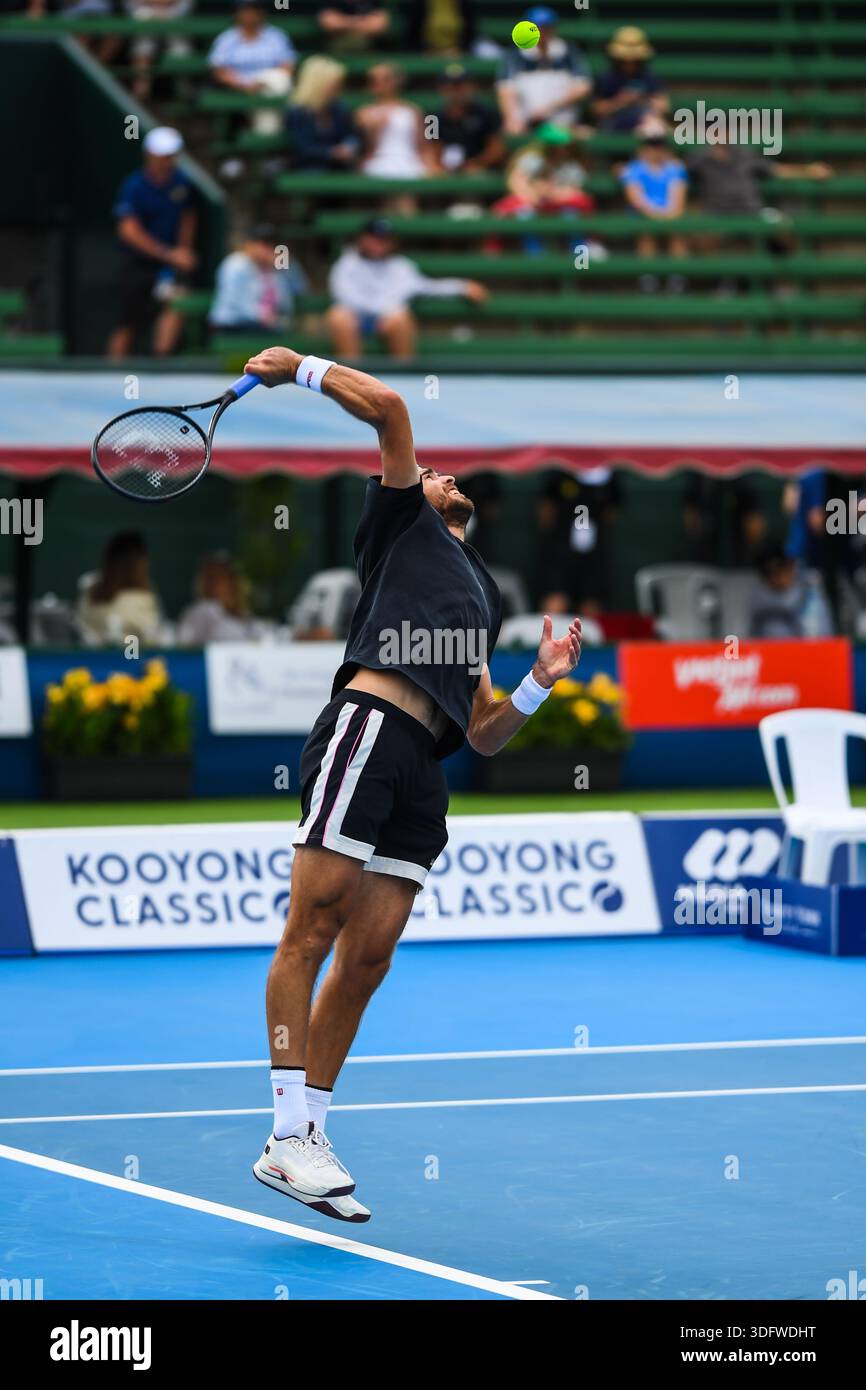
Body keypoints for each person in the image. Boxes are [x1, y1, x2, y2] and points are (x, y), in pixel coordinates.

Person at [241, 341, 582, 1222]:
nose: (440, 472)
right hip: (368, 729)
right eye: (428, 472)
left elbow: (485, 732)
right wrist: (300, 368)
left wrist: (539, 682)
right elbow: (389, 408)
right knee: (312, 928)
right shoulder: (401, 526)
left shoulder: (482, 592)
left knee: (371, 955)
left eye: (442, 474)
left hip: (424, 769)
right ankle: (282, 1131)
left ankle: (308, 1135)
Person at [327, 217, 488, 360]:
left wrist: (462, 287)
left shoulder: (401, 266)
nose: (379, 243)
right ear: (362, 239)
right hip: (357, 319)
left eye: (384, 239)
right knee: (339, 317)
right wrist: (381, 313)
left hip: (389, 321)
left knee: (401, 318)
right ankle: (352, 377)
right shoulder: (346, 264)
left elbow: (427, 287)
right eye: (374, 238)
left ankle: (403, 374)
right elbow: (345, 297)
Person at [107, 126, 197, 359]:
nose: (168, 160)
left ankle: (161, 362)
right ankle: (112, 376)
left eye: (171, 155)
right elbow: (128, 230)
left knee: (177, 304)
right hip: (136, 265)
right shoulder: (134, 186)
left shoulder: (182, 184)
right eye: (163, 155)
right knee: (128, 323)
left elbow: (188, 218)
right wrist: (168, 254)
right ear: (150, 155)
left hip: (168, 267)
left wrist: (184, 251)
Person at [535, 466, 622, 616]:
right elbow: (546, 513)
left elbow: (612, 514)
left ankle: (586, 639)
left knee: (591, 604)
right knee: (556, 600)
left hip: (594, 554)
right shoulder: (560, 473)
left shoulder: (607, 477)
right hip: (560, 551)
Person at [496, 5, 591, 137]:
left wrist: (548, 109)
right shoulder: (515, 55)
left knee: (585, 134)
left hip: (563, 124)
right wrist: (513, 119)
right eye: (536, 28)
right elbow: (506, 90)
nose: (541, 32)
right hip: (526, 124)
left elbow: (582, 87)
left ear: (553, 28)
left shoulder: (569, 52)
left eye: (546, 27)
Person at [209, 0, 297, 135]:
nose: (249, 15)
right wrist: (243, 86)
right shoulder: (226, 39)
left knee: (277, 83)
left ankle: (268, 135)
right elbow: (219, 71)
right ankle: (270, 136)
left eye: (253, 10)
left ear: (261, 13)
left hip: (269, 86)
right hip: (240, 89)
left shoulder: (276, 36)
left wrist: (260, 84)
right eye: (245, 11)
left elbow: (287, 67)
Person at [619, 128, 689, 289]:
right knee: (646, 231)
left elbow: (677, 199)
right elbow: (636, 199)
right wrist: (656, 215)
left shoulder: (675, 168)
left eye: (659, 144)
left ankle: (677, 277)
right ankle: (648, 277)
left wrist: (667, 215)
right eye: (651, 144)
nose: (655, 149)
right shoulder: (634, 169)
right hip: (643, 215)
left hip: (669, 215)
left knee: (677, 231)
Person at [209, 224, 308, 334]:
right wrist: (262, 316)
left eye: (270, 244)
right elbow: (234, 302)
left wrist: (285, 264)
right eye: (261, 243)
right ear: (249, 244)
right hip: (233, 324)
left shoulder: (276, 267)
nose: (266, 249)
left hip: (264, 325)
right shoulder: (236, 265)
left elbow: (299, 289)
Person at [356, 63, 435, 186]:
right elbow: (364, 148)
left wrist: (432, 166)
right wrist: (373, 130)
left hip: (410, 163)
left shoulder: (414, 111)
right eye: (374, 80)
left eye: (385, 79)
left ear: (395, 82)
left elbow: (425, 145)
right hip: (378, 163)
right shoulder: (363, 113)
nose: (379, 83)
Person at [77, 532, 162, 647]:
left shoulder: (90, 593)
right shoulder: (143, 598)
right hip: (129, 660)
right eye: (144, 559)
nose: (147, 564)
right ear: (137, 563)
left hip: (94, 661)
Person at [286, 56, 359, 171]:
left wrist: (349, 146)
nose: (339, 88)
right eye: (335, 84)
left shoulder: (339, 108)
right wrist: (331, 152)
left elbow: (351, 134)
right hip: (308, 167)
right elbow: (302, 147)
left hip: (339, 167)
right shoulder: (298, 112)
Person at [431, 63, 506, 173]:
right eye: (451, 85)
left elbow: (497, 149)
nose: (456, 90)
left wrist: (476, 164)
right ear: (442, 88)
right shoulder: (432, 119)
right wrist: (440, 167)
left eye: (461, 85)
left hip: (479, 171)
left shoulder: (487, 115)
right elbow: (431, 149)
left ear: (471, 87)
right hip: (444, 172)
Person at [592, 26, 668, 134]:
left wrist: (642, 99)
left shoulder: (649, 76)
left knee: (655, 126)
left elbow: (663, 106)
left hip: (643, 122)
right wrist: (620, 101)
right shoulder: (606, 78)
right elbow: (597, 110)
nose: (629, 64)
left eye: (634, 60)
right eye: (624, 60)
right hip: (613, 124)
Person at [176, 555, 258, 644]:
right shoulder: (201, 612)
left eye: (223, 576)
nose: (215, 584)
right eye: (211, 577)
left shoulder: (247, 616)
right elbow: (183, 643)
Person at [748, 547, 808, 639]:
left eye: (780, 570)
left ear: (789, 569)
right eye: (771, 573)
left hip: (796, 648)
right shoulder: (758, 593)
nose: (777, 577)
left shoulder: (803, 590)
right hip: (765, 649)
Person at [406, 0, 477, 54]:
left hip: (456, 53)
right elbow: (413, 33)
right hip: (428, 53)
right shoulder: (420, 4)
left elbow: (470, 32)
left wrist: (460, 49)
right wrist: (428, 50)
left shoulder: (462, 3)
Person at [318, 0, 389, 50]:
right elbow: (329, 23)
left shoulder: (372, 2)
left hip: (371, 50)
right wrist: (363, 23)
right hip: (335, 50)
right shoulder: (332, 2)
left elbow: (378, 25)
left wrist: (343, 22)